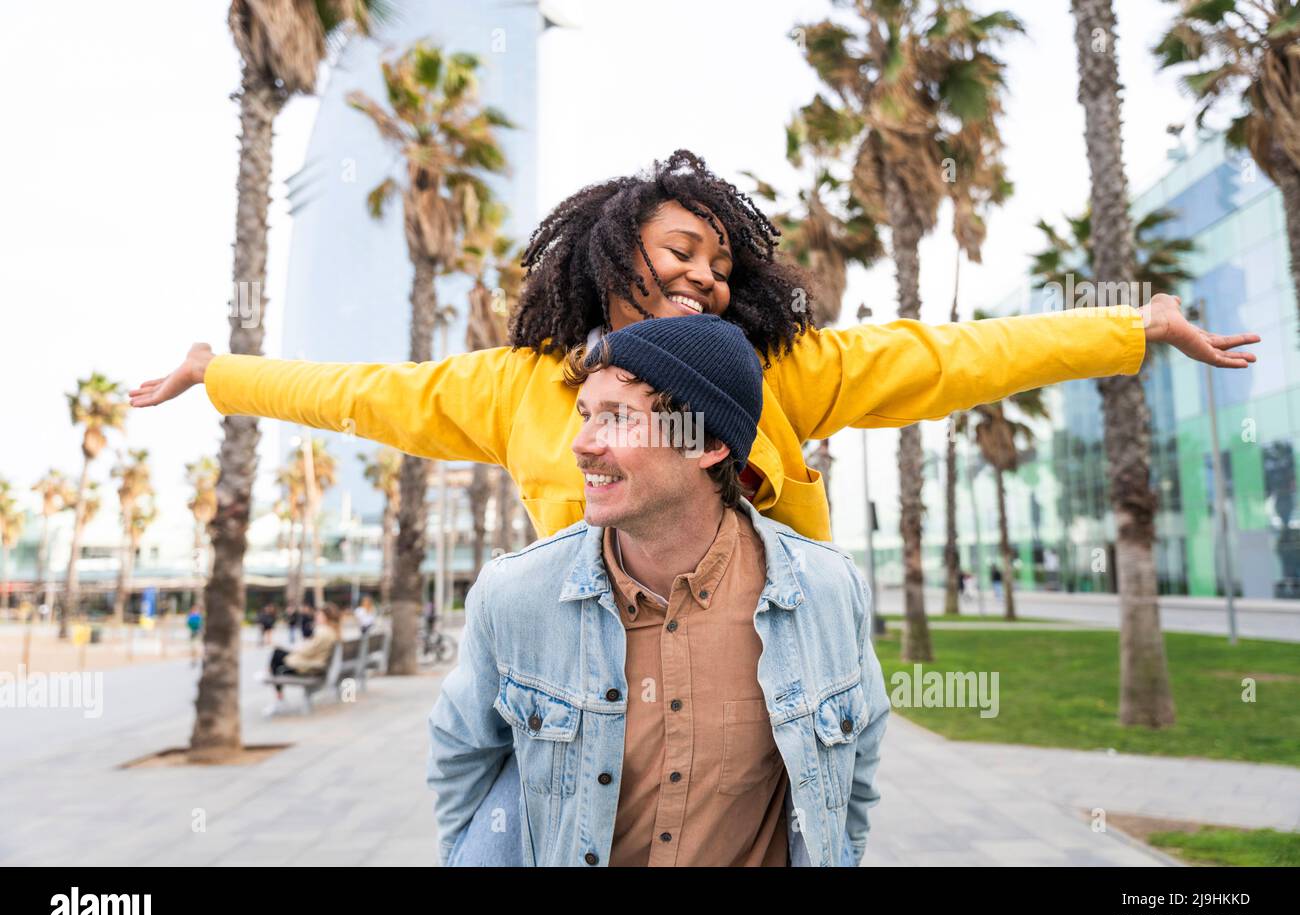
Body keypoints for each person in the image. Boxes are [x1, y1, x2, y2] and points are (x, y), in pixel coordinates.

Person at [126, 150, 1260, 544]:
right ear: (613, 253)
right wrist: (215, 370)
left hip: (766, 708)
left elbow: (953, 355)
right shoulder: (517, 388)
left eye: (720, 262)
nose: (703, 274)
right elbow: (364, 394)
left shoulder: (784, 373)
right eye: (679, 249)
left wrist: (1136, 325)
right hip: (597, 715)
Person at [427, 315, 890, 867]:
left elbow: (855, 770)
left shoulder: (828, 593)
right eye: (585, 416)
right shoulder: (515, 596)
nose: (581, 445)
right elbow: (462, 756)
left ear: (710, 442)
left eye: (617, 419)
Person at [263, 602, 342, 717]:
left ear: (326, 617)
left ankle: (278, 695)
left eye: (319, 615)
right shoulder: (332, 631)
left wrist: (295, 649)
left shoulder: (324, 632)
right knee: (278, 656)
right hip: (317, 665)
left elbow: (308, 651)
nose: (316, 617)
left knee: (277, 657)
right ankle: (270, 676)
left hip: (311, 668)